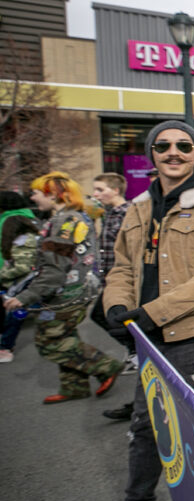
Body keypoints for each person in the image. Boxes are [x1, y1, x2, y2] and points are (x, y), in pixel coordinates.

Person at [100, 120, 194, 501]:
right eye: (163, 145)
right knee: (146, 426)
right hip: (149, 340)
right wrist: (115, 303)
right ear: (152, 154)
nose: (173, 152)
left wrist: (155, 312)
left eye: (184, 146)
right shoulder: (138, 207)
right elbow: (121, 267)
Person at [2, 173, 122, 403]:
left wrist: (25, 297)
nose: (33, 197)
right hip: (72, 290)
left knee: (50, 342)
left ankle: (106, 366)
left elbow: (55, 267)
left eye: (36, 193)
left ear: (54, 195)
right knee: (66, 336)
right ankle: (74, 387)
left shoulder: (65, 221)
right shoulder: (70, 218)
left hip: (67, 293)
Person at [87, 173, 137, 374]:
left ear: (116, 190)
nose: (95, 194)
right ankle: (135, 350)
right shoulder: (109, 213)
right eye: (95, 189)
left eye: (100, 189)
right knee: (109, 316)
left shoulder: (128, 213)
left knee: (102, 314)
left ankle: (137, 350)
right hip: (110, 278)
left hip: (123, 279)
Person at [0, 191, 39, 363]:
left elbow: (23, 263)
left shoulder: (12, 221)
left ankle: (5, 347)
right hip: (17, 275)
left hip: (18, 277)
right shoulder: (30, 218)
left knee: (15, 312)